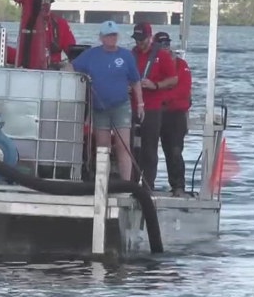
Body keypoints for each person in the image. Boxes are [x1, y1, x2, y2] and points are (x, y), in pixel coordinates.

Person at [71, 20, 143, 184]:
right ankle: (102, 183)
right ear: (101, 37)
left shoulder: (126, 56)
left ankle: (126, 184)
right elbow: (72, 67)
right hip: (99, 109)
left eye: (113, 35)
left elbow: (136, 80)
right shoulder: (91, 54)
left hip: (121, 106)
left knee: (123, 146)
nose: (111, 38)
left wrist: (140, 103)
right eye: (108, 35)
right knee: (102, 148)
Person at [130, 21, 177, 192]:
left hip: (152, 106)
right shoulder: (131, 54)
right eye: (136, 39)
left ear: (150, 38)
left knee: (149, 147)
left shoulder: (162, 56)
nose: (139, 43)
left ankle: (148, 184)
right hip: (132, 105)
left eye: (142, 39)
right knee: (131, 147)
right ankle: (131, 182)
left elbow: (173, 79)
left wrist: (155, 85)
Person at [154, 31, 192, 197]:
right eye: (161, 45)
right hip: (154, 111)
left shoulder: (181, 64)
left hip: (175, 113)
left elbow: (183, 89)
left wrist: (163, 94)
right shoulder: (151, 64)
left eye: (166, 44)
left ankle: (178, 186)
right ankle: (145, 183)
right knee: (146, 150)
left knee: (174, 151)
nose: (165, 48)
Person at [44, 2, 77, 69]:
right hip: (28, 69)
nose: (43, 3)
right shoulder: (26, 24)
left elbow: (72, 51)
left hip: (54, 69)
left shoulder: (60, 23)